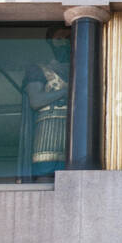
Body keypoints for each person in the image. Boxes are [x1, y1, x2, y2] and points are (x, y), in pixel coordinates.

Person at [20, 28, 70, 179]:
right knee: (45, 175)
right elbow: (36, 101)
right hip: (48, 130)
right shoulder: (38, 69)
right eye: (59, 39)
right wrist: (67, 92)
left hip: (72, 131)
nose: (64, 43)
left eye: (68, 38)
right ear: (51, 43)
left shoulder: (81, 69)